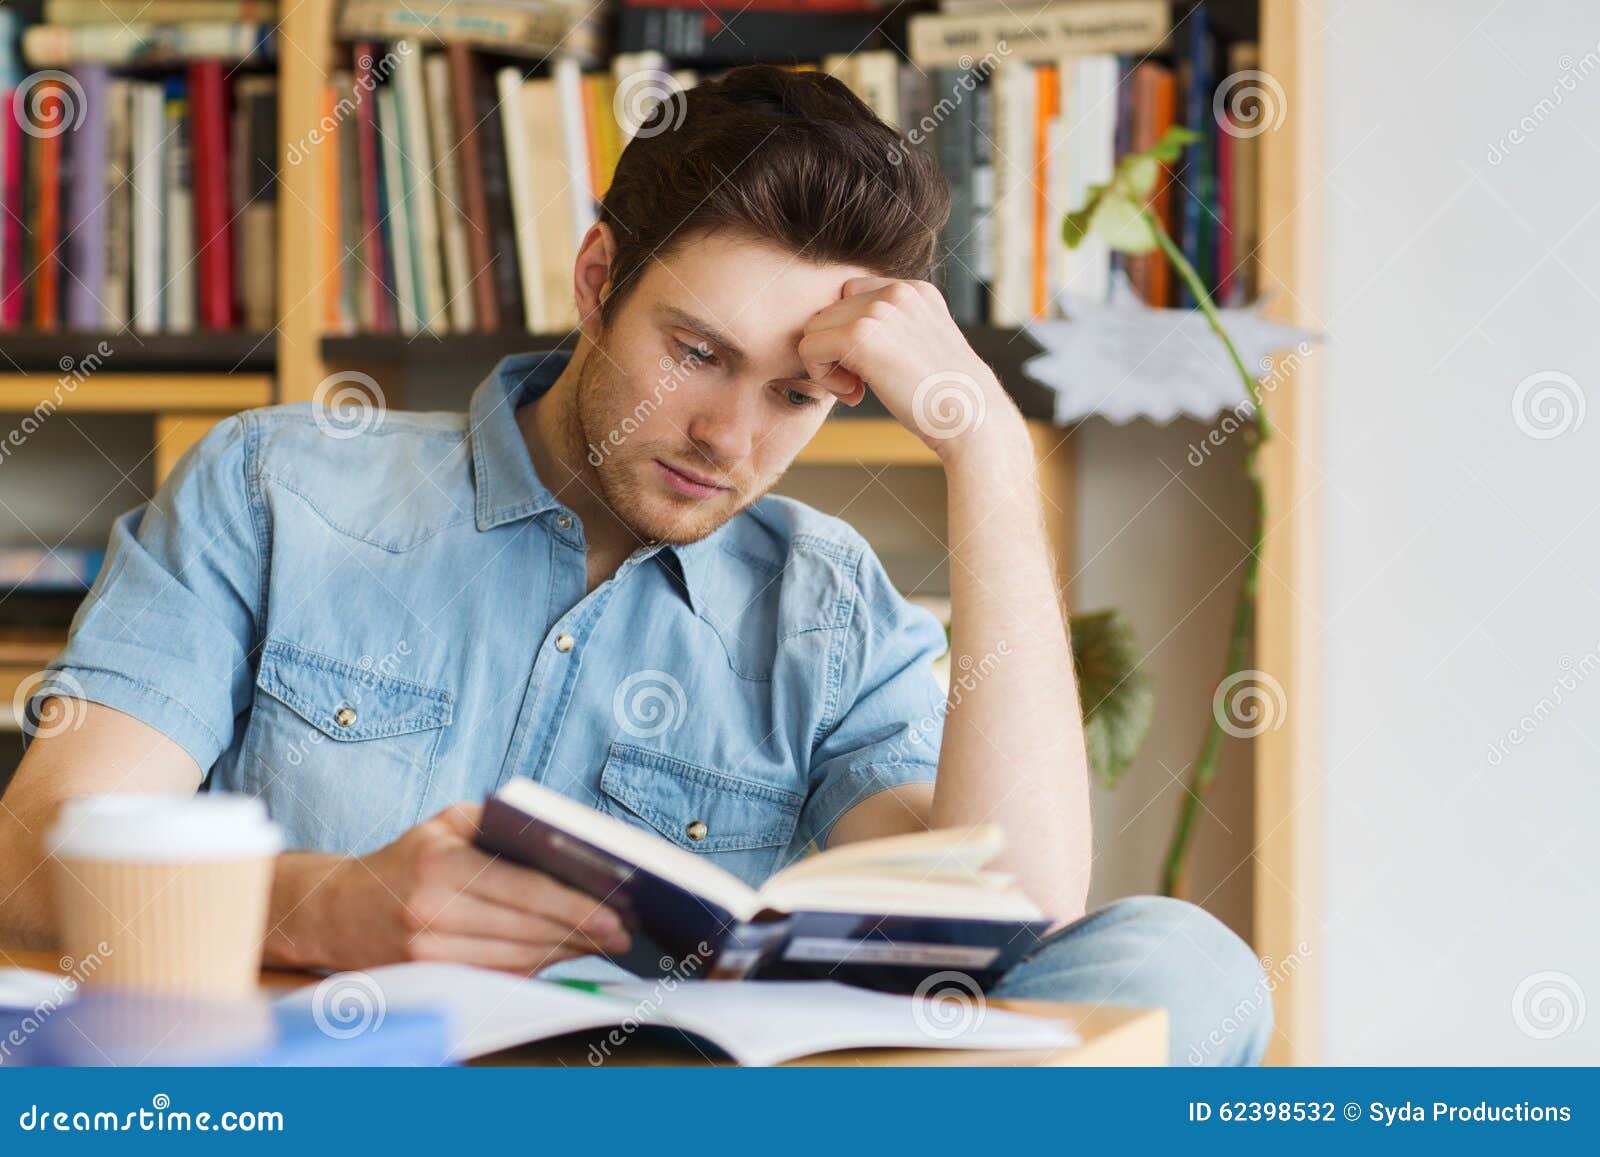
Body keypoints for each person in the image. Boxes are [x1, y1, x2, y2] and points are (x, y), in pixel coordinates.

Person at [0, 65, 1268, 1065]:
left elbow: (1019, 907)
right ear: (599, 278)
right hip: (326, 1101)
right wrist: (322, 905)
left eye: (796, 392)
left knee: (1179, 962)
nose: (732, 437)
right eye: (698, 352)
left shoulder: (827, 615)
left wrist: (982, 442)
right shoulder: (279, 486)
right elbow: (29, 857)